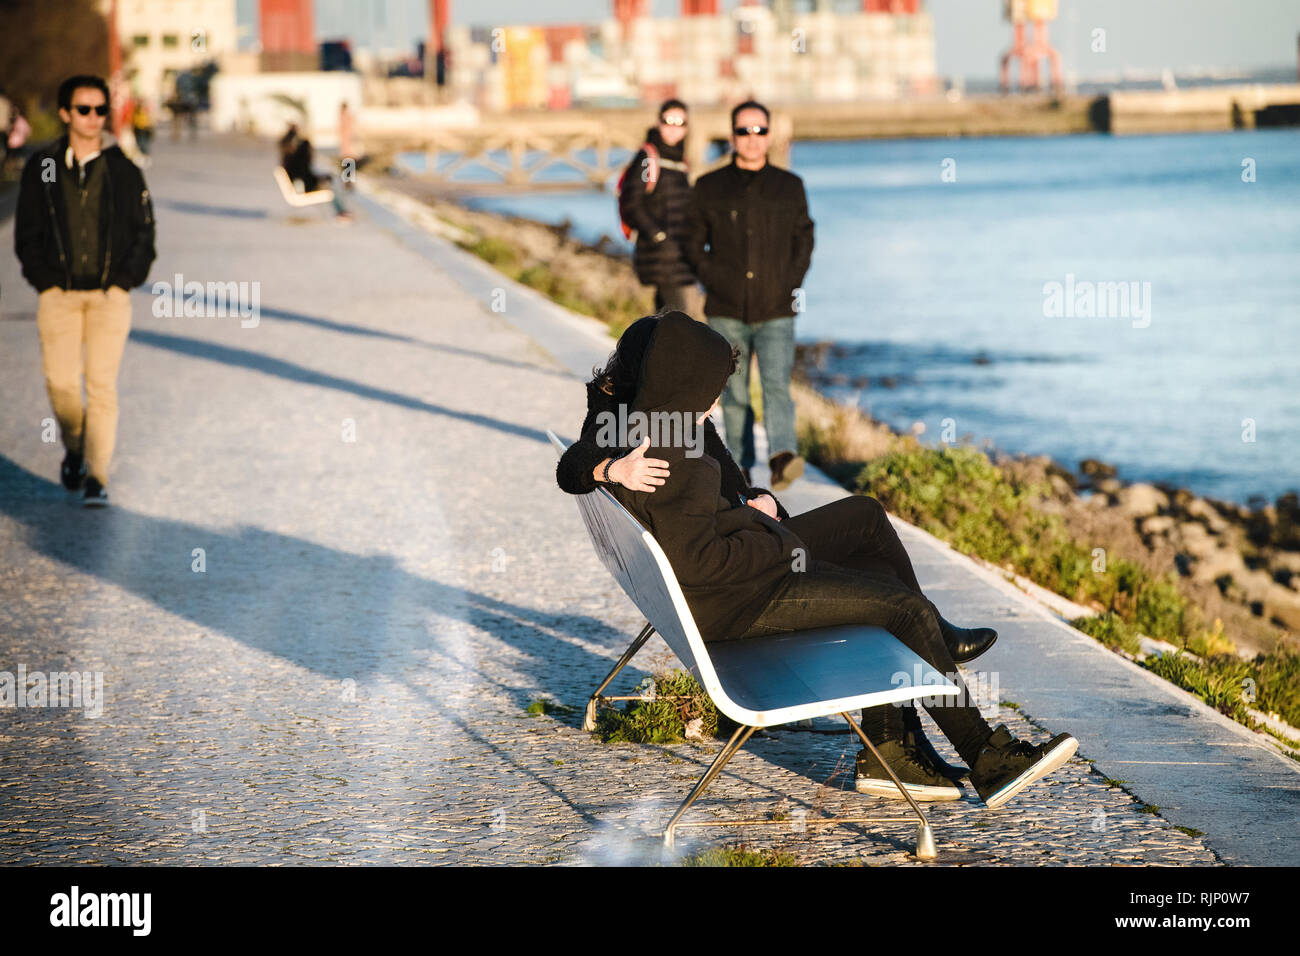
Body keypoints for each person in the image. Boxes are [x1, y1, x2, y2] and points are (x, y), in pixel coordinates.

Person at [590, 312, 1078, 807]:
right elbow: (702, 565)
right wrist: (777, 537)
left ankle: (896, 746)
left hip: (724, 594)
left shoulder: (642, 432)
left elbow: (696, 542)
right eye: (711, 390)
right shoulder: (677, 462)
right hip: (737, 604)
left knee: (880, 568)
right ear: (685, 384)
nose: (717, 402)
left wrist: (758, 517)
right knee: (905, 610)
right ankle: (987, 758)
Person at [13, 75, 157, 507]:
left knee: (101, 385)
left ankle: (97, 475)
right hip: (58, 294)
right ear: (65, 113)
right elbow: (27, 230)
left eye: (100, 110)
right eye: (84, 109)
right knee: (60, 384)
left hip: (109, 296)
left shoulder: (122, 169)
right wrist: (45, 279)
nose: (94, 118)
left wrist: (123, 281)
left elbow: (144, 233)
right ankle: (75, 447)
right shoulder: (47, 165)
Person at [686, 99, 812, 492]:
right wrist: (714, 280)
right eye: (744, 131)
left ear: (770, 136)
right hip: (726, 308)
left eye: (759, 131)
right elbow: (693, 244)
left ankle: (782, 456)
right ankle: (739, 465)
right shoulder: (709, 187)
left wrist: (790, 282)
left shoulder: (789, 187)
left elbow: (804, 240)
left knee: (776, 383)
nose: (752, 139)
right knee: (735, 392)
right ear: (732, 136)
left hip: (776, 308)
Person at [617, 100, 701, 318]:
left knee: (666, 321)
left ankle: (653, 351)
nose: (674, 127)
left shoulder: (680, 160)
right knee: (682, 320)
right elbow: (631, 202)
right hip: (662, 258)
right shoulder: (648, 158)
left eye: (680, 122)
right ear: (658, 123)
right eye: (668, 121)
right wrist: (658, 235)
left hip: (679, 258)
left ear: (687, 127)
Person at [280, 124, 351, 221]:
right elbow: (303, 177)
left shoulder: (291, 159)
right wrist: (321, 179)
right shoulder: (299, 160)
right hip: (303, 188)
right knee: (333, 185)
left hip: (302, 185)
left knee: (332, 182)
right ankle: (341, 212)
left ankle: (341, 211)